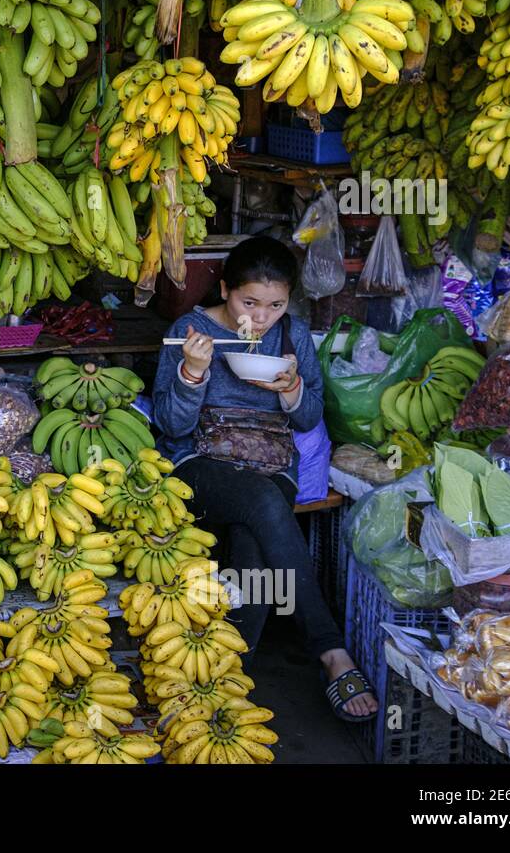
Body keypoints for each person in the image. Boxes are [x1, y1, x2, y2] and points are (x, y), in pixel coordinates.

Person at [151, 236, 378, 722]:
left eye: (275, 305)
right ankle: (331, 651)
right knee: (263, 506)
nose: (261, 316)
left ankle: (229, 680)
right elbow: (170, 426)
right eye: (248, 302)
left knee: (253, 535)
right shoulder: (188, 331)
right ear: (226, 288)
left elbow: (309, 416)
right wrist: (193, 373)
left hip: (271, 462)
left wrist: (292, 388)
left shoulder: (292, 334)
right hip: (200, 462)